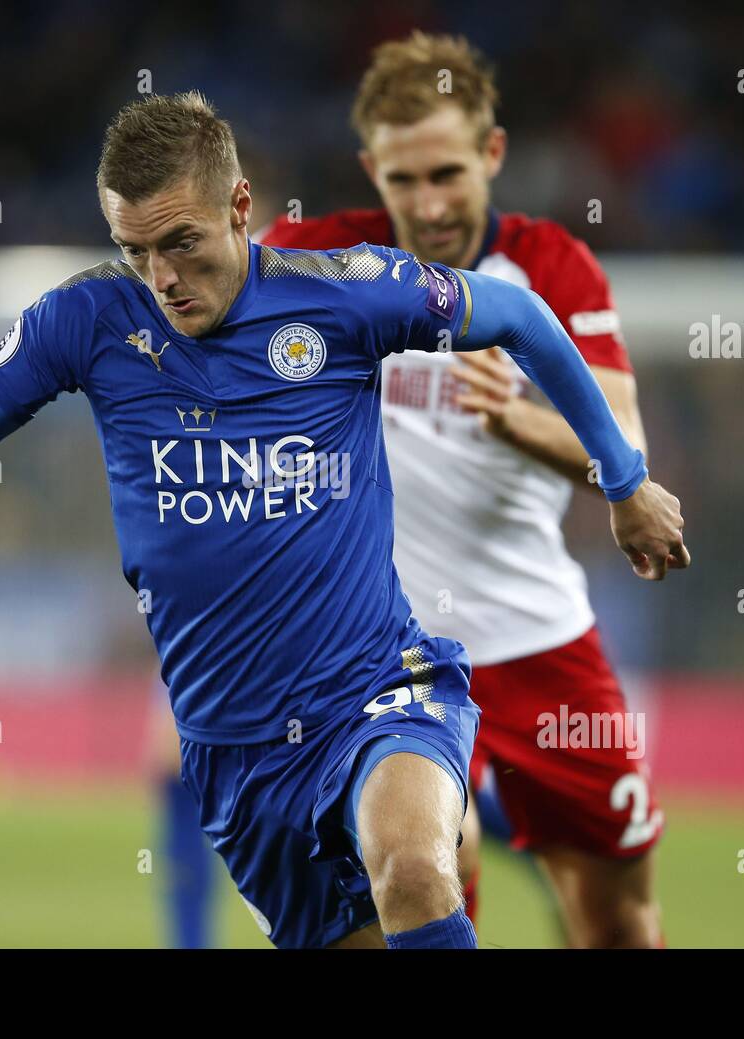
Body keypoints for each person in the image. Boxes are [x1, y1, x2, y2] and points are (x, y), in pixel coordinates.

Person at [0, 91, 688, 949]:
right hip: (235, 750)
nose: (163, 280)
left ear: (241, 207)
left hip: (377, 689)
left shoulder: (346, 296)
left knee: (411, 864)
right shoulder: (85, 319)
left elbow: (523, 318)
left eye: (182, 242)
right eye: (135, 250)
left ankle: (448, 819)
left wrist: (624, 482)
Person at [260, 32, 669, 947]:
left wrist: (516, 415)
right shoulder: (317, 259)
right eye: (403, 180)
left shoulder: (550, 267)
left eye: (448, 171)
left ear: (492, 154)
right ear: (372, 169)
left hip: (538, 642)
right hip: (382, 656)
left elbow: (623, 444)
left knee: (617, 921)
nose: (429, 203)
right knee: (429, 866)